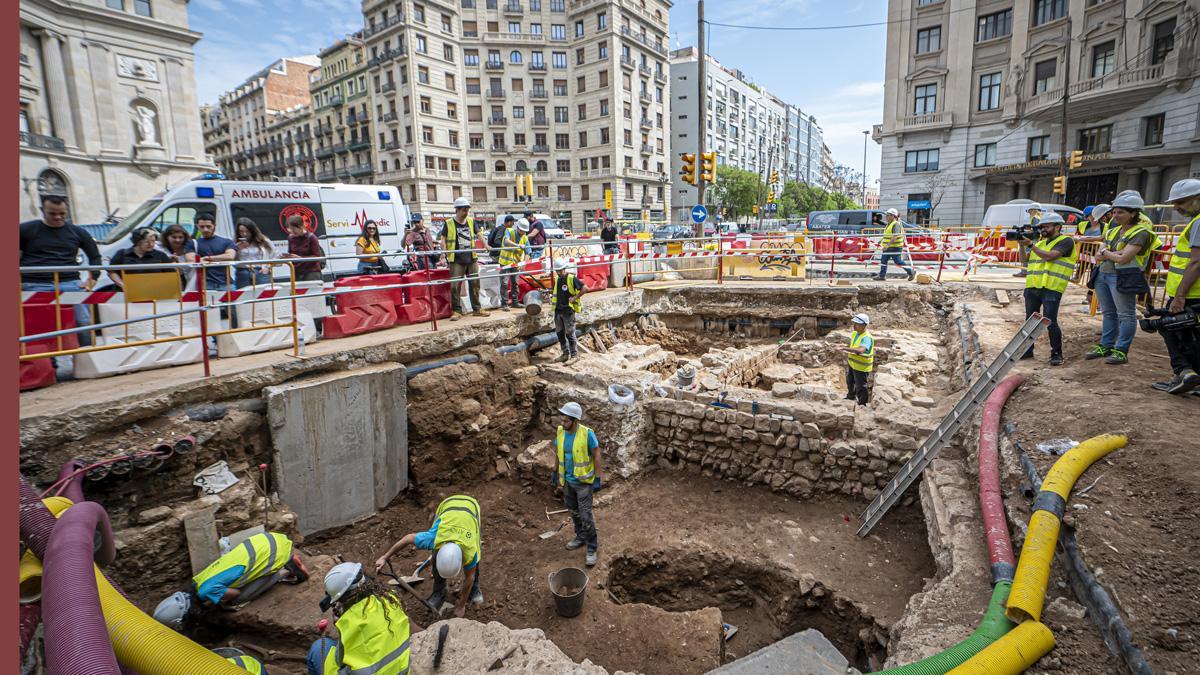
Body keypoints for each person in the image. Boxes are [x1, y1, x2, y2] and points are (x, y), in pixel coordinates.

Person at [152, 532, 309, 631]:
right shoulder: (198, 581)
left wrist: (220, 600)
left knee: (235, 601)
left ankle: (286, 569)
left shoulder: (206, 591)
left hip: (274, 552)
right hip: (266, 539)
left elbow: (235, 593)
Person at [373, 495, 483, 617]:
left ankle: (475, 588)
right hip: (447, 505)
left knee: (475, 559)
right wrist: (384, 557)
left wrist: (461, 606)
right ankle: (439, 590)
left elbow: (469, 578)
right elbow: (408, 538)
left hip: (471, 509)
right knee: (435, 555)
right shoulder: (434, 538)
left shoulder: (469, 550)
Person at [1087, 192, 1157, 365]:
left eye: (1121, 212)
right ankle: (1106, 345)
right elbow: (1100, 255)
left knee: (1126, 314)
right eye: (1115, 212)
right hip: (1103, 275)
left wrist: (1108, 253)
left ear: (1133, 213)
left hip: (1123, 277)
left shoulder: (1142, 232)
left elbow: (1123, 258)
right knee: (1109, 313)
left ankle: (1121, 350)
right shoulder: (1112, 231)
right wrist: (1112, 253)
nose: (1116, 215)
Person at [19, 195, 101, 345]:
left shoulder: (78, 232)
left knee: (84, 322)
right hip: (34, 284)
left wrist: (92, 279)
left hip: (70, 283)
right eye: (52, 213)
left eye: (62, 213)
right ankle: (47, 365)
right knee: (39, 327)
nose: (58, 217)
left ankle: (87, 358)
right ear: (42, 210)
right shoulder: (25, 229)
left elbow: (95, 256)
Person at [309, 562, 410, 675]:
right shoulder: (391, 598)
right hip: (402, 670)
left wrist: (341, 626)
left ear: (341, 598)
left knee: (319, 647)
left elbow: (339, 661)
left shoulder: (349, 622)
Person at [1152, 179, 1200, 394]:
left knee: (1170, 328)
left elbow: (1196, 262)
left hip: (1191, 293)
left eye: (1181, 201)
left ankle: (1183, 373)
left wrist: (1180, 296)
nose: (1176, 207)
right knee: (1192, 335)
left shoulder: (1198, 223)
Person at [1018, 213, 1076, 366]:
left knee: (1050, 322)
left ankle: (1057, 354)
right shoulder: (1041, 243)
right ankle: (1027, 350)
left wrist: (1031, 245)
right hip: (1033, 287)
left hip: (1051, 288)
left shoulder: (1066, 241)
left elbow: (1050, 256)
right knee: (1030, 322)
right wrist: (1021, 245)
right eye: (1042, 226)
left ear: (1057, 227)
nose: (1043, 229)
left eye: (1046, 226)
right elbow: (1025, 260)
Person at [553, 401, 601, 567]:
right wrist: (554, 473)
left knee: (586, 515)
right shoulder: (560, 432)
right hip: (567, 482)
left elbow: (596, 454)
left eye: (566, 420)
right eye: (562, 419)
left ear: (575, 421)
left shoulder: (587, 434)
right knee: (574, 512)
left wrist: (597, 478)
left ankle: (592, 547)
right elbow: (559, 454)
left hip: (583, 483)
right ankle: (580, 537)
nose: (562, 422)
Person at [438, 197, 489, 320]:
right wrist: (443, 255)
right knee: (455, 286)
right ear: (457, 210)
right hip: (456, 259)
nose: (466, 213)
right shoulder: (449, 223)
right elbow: (443, 240)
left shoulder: (471, 221)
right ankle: (456, 311)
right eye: (464, 210)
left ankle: (477, 309)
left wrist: (486, 245)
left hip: (471, 258)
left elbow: (479, 234)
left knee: (475, 284)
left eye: (467, 210)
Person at [108, 228, 173, 290]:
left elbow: (171, 274)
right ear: (137, 242)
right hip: (126, 293)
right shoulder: (122, 254)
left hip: (153, 292)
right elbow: (112, 271)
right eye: (146, 242)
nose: (151, 244)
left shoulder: (160, 255)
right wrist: (122, 284)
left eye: (153, 241)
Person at [552, 258, 585, 363]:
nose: (558, 272)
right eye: (557, 271)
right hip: (558, 310)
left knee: (569, 333)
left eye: (560, 270)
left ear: (564, 269)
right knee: (560, 333)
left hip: (568, 311)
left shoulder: (571, 278)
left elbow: (585, 288)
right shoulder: (557, 279)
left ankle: (574, 355)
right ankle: (565, 354)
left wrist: (574, 298)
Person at [195, 213, 238, 291]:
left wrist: (206, 258)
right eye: (202, 227)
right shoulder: (193, 243)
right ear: (197, 226)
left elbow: (230, 256)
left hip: (226, 283)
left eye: (208, 226)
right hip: (205, 284)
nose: (205, 229)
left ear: (214, 225)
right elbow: (190, 259)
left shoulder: (227, 241)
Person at [873, 208, 915, 281]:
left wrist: (887, 245)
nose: (886, 217)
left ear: (893, 216)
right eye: (886, 215)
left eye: (888, 215)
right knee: (883, 260)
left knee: (898, 262)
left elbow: (895, 236)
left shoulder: (895, 224)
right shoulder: (889, 224)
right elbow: (888, 235)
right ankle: (882, 276)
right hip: (888, 247)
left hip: (895, 247)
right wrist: (881, 241)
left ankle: (911, 272)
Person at [499, 217, 531, 311]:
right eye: (521, 230)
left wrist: (523, 262)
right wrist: (517, 245)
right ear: (518, 228)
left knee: (515, 283)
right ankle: (504, 304)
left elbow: (528, 252)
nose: (522, 233)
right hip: (504, 262)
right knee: (504, 283)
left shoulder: (525, 238)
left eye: (524, 231)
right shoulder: (509, 231)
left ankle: (515, 302)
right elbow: (506, 241)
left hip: (515, 263)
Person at [281, 214, 325, 282]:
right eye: (289, 229)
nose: (291, 231)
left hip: (311, 272)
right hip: (296, 271)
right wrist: (286, 257)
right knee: (297, 292)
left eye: (293, 229)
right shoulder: (290, 238)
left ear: (301, 226)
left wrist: (300, 258)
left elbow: (317, 256)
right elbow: (290, 252)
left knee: (312, 291)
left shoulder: (312, 237)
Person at [843, 313, 874, 405]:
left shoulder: (866, 337)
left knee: (861, 386)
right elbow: (854, 346)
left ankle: (862, 404)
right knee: (850, 381)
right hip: (852, 364)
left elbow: (861, 350)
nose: (854, 326)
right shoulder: (855, 334)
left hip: (861, 367)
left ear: (864, 325)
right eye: (854, 323)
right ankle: (851, 397)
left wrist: (845, 348)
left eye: (857, 324)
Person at [234, 218, 275, 288]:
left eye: (247, 231)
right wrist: (237, 249)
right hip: (242, 271)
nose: (244, 234)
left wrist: (268, 267)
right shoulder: (235, 242)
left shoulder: (263, 240)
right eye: (241, 231)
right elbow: (231, 258)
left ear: (252, 230)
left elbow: (275, 255)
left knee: (265, 295)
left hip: (260, 270)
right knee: (243, 296)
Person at [161, 223, 198, 290]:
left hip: (191, 284)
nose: (177, 240)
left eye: (180, 237)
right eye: (174, 237)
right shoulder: (162, 249)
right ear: (167, 237)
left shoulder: (191, 248)